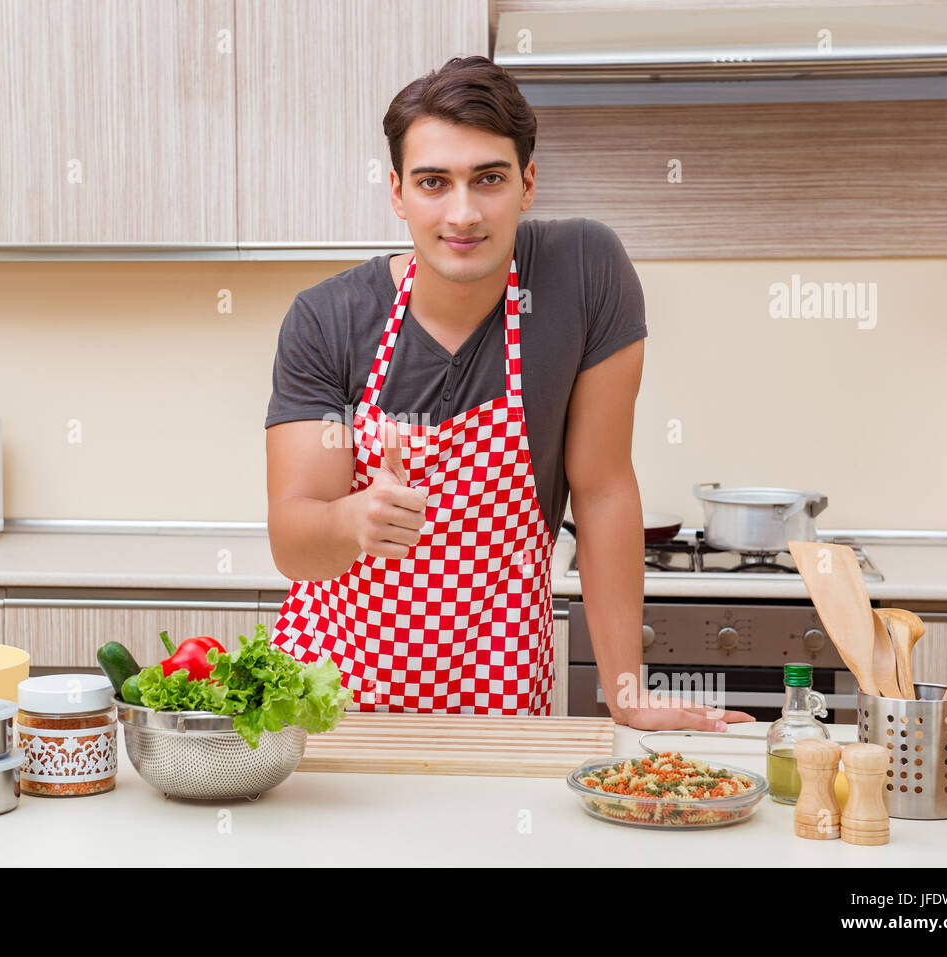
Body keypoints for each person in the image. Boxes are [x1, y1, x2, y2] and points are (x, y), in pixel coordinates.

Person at [264, 56, 752, 732]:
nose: (462, 214)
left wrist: (626, 692)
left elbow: (604, 485)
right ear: (397, 194)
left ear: (526, 183)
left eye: (487, 179)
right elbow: (292, 539)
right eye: (434, 182)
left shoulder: (584, 273)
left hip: (500, 688)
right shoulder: (328, 318)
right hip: (335, 701)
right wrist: (353, 521)